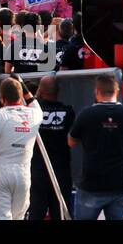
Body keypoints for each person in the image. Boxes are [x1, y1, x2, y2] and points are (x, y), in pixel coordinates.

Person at [68, 73, 123, 220]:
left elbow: (71, 141)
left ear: (97, 92)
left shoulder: (87, 114)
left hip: (93, 183)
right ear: (117, 92)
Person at [0, 77, 43, 220]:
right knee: (18, 217)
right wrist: (22, 86)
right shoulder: (35, 114)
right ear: (20, 95)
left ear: (2, 98)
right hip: (23, 174)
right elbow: (32, 102)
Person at [29, 75, 75, 221]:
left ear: (40, 90)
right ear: (59, 90)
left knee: (36, 212)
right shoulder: (68, 112)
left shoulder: (33, 112)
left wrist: (37, 96)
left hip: (37, 170)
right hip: (61, 170)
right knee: (60, 212)